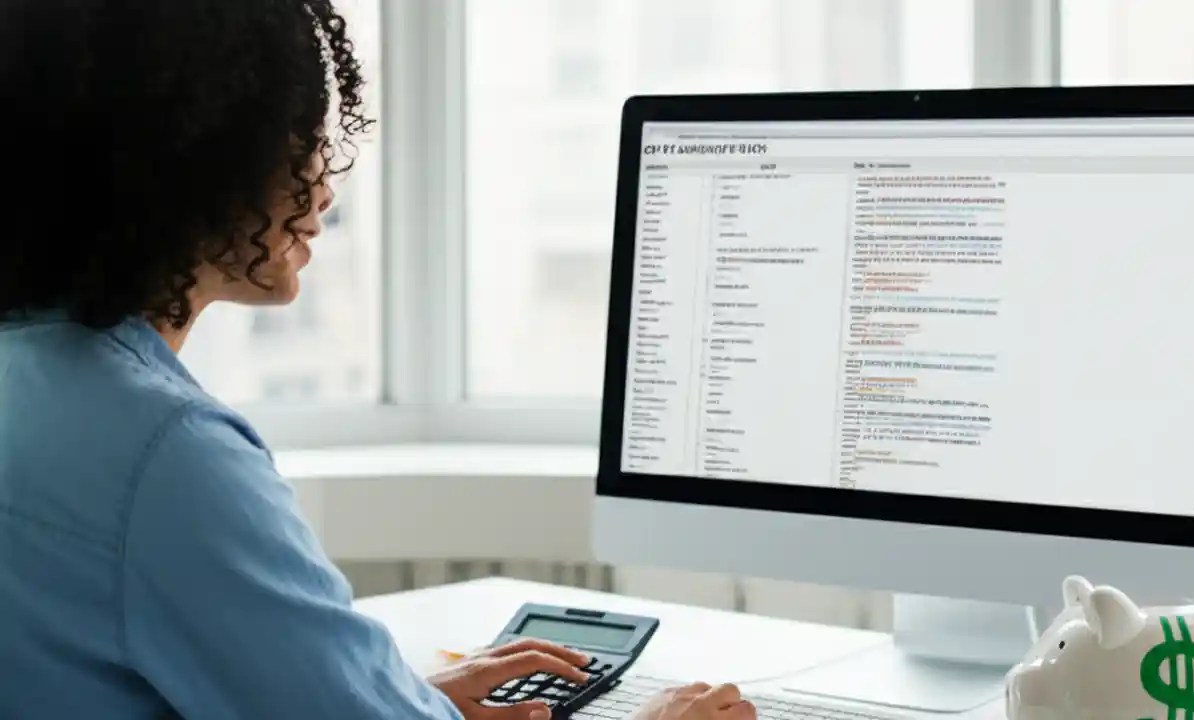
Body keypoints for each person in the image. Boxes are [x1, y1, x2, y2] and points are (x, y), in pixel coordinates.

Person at [0, 1, 757, 719]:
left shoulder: (34, 387)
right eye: (296, 142)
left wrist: (397, 701)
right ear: (198, 154)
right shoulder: (166, 458)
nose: (323, 190)